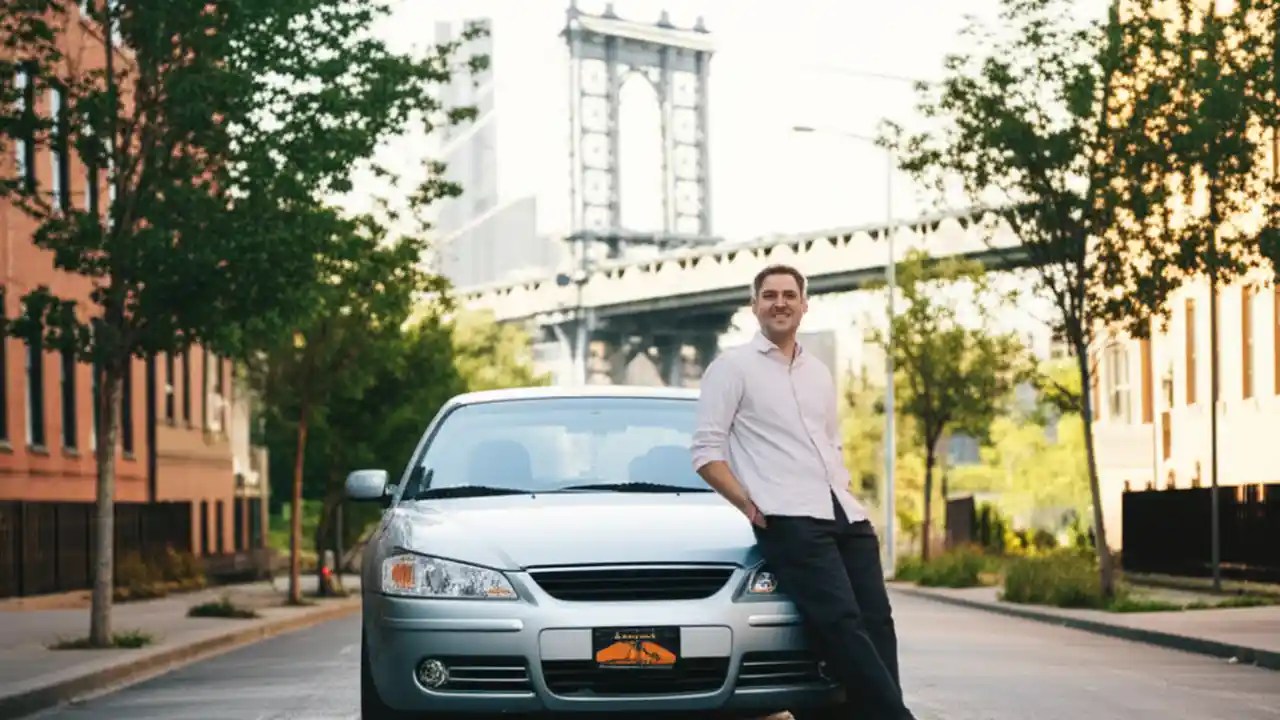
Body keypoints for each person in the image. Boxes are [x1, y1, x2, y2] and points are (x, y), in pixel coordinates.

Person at [690, 264, 915, 720]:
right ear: (754, 306)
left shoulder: (818, 372)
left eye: (789, 295)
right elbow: (706, 452)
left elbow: (829, 442)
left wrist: (845, 490)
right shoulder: (732, 368)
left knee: (877, 622)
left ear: (804, 305)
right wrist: (748, 504)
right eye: (769, 295)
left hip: (843, 512)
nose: (780, 303)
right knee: (842, 624)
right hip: (788, 516)